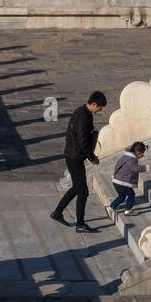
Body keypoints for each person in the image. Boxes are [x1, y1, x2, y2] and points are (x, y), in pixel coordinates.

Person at [50, 91, 107, 233]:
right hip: (75, 157)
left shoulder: (82, 112)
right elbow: (82, 141)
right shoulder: (84, 117)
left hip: (73, 155)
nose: (100, 110)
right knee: (83, 191)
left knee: (77, 187)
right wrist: (92, 157)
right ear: (93, 104)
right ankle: (80, 224)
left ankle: (57, 212)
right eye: (99, 107)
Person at [109, 142, 149, 217]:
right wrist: (146, 167)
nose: (142, 156)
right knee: (131, 194)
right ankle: (128, 210)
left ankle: (111, 207)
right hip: (122, 182)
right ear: (137, 152)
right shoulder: (131, 160)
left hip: (117, 181)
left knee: (122, 196)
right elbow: (136, 168)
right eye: (141, 154)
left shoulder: (125, 157)